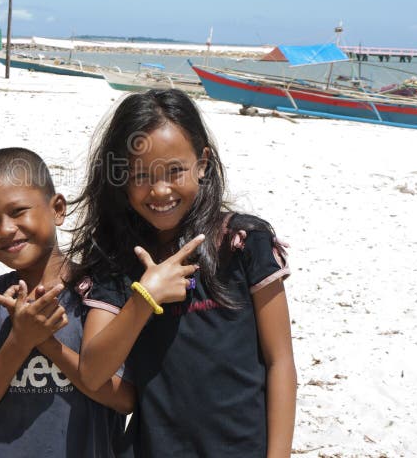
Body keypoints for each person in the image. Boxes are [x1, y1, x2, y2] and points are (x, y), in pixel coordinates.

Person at [68, 89, 297, 458]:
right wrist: (144, 298)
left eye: (175, 171)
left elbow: (280, 360)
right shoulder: (119, 263)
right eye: (140, 175)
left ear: (202, 163)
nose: (159, 191)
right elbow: (93, 372)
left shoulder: (241, 244)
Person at [0, 147, 134, 457]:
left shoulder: (100, 293)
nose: (6, 229)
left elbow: (124, 399)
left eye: (18, 212)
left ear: (57, 209)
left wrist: (46, 343)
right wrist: (19, 341)